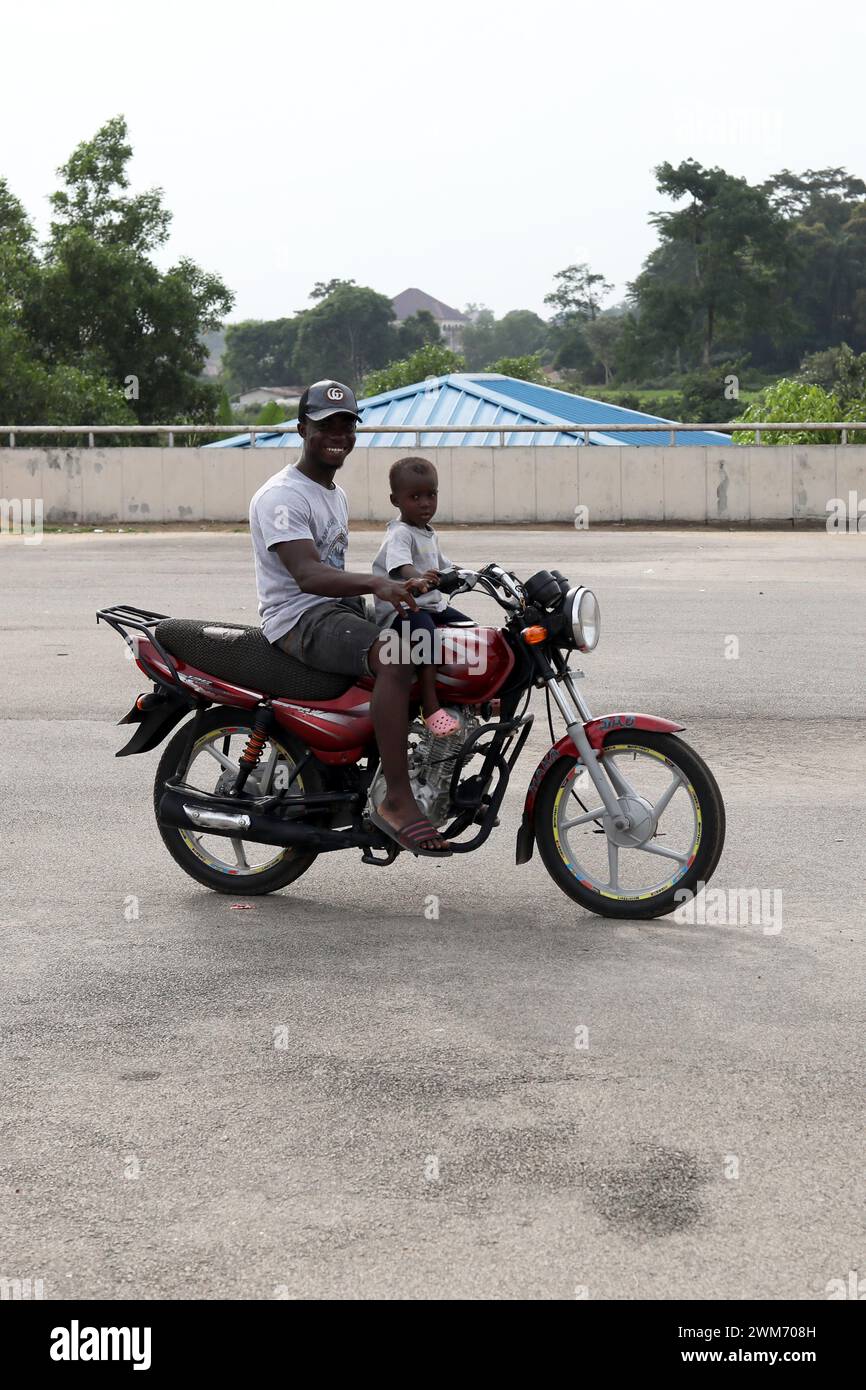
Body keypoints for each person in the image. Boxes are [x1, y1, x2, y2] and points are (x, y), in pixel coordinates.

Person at [248, 380, 453, 857]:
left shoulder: (334, 493)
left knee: (435, 641)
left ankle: (419, 755)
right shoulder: (282, 496)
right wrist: (378, 584)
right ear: (302, 428)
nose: (337, 433)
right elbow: (308, 574)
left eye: (346, 424)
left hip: (336, 611)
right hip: (299, 619)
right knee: (397, 657)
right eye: (325, 424)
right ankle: (397, 802)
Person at [371, 457, 474, 737]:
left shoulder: (428, 533)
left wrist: (470, 575)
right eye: (415, 497)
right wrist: (415, 577)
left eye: (431, 495)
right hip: (401, 611)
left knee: (470, 630)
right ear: (395, 500)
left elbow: (446, 567)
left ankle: (461, 690)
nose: (425, 503)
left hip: (429, 605)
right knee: (427, 635)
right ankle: (429, 706)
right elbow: (400, 566)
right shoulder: (400, 534)